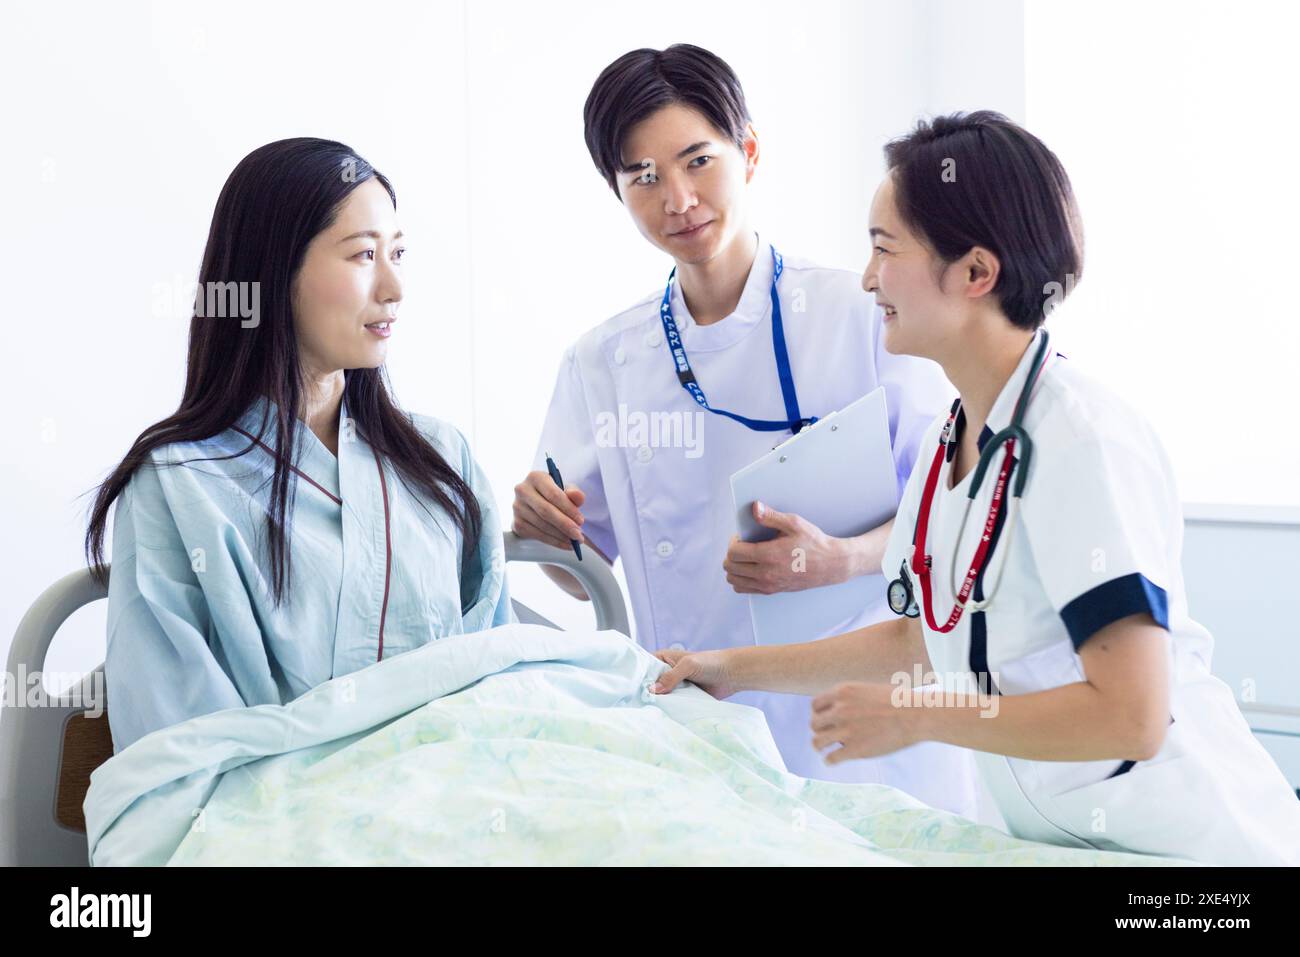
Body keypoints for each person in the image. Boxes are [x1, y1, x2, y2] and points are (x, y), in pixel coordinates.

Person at [651, 111, 1300, 865]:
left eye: (885, 249)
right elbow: (928, 639)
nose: (867, 278)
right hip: (1075, 841)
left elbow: (1133, 715)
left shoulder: (1081, 441)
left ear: (976, 273)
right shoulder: (949, 440)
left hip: (1193, 862)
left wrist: (923, 715)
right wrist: (728, 668)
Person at [513, 43, 976, 813]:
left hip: (861, 725)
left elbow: (954, 519)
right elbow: (580, 567)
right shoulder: (602, 362)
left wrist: (842, 556)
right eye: (644, 177)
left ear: (749, 152)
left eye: (698, 161)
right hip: (700, 726)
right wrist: (547, 531)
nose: (678, 197)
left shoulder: (865, 318)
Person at [84, 138, 512, 754]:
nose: (394, 287)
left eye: (398, 253)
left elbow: (500, 675)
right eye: (364, 255)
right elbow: (174, 746)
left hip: (459, 797)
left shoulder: (441, 458)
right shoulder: (179, 485)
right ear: (272, 273)